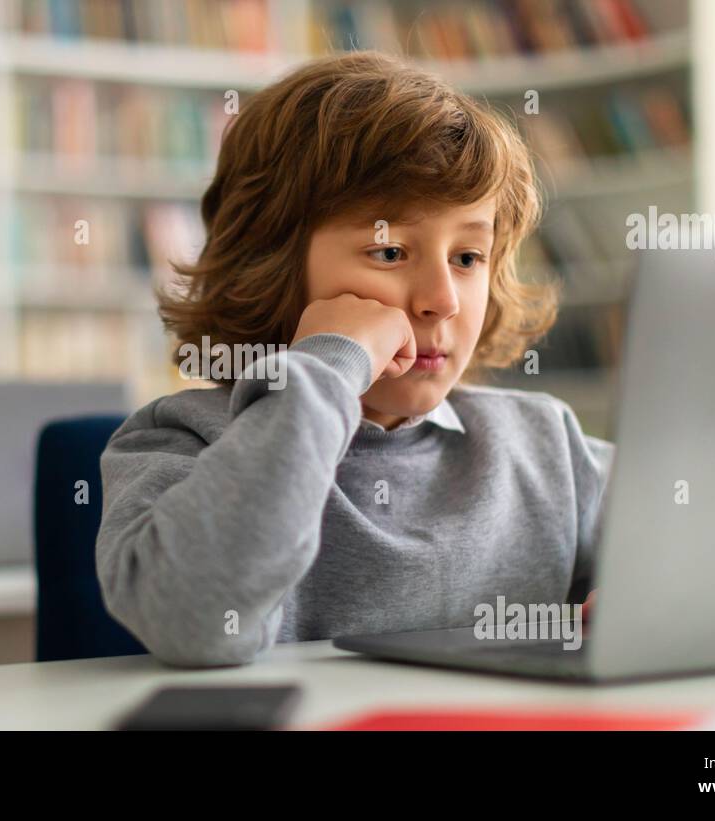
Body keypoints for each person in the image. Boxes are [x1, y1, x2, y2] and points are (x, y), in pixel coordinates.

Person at [96, 52, 614, 667]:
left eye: (468, 257)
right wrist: (325, 368)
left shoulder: (546, 444)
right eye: (391, 251)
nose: (442, 301)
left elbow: (714, 555)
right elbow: (192, 623)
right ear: (273, 265)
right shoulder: (181, 440)